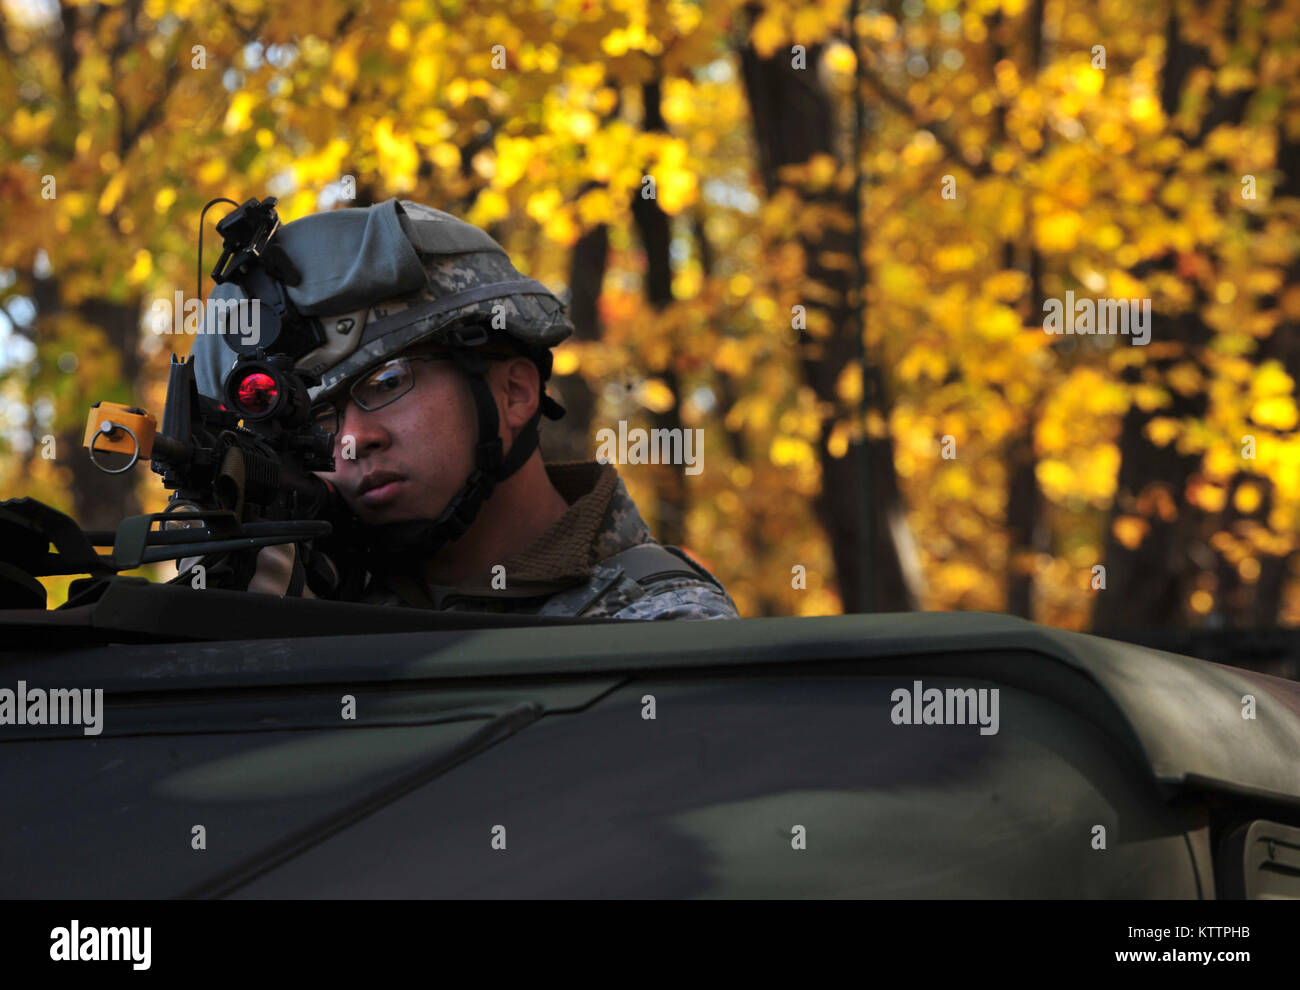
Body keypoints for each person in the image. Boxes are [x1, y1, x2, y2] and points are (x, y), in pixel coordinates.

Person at [184, 198, 739, 620]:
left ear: (514, 393)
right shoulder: (319, 603)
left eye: (386, 381)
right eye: (319, 419)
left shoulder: (661, 624)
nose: (352, 440)